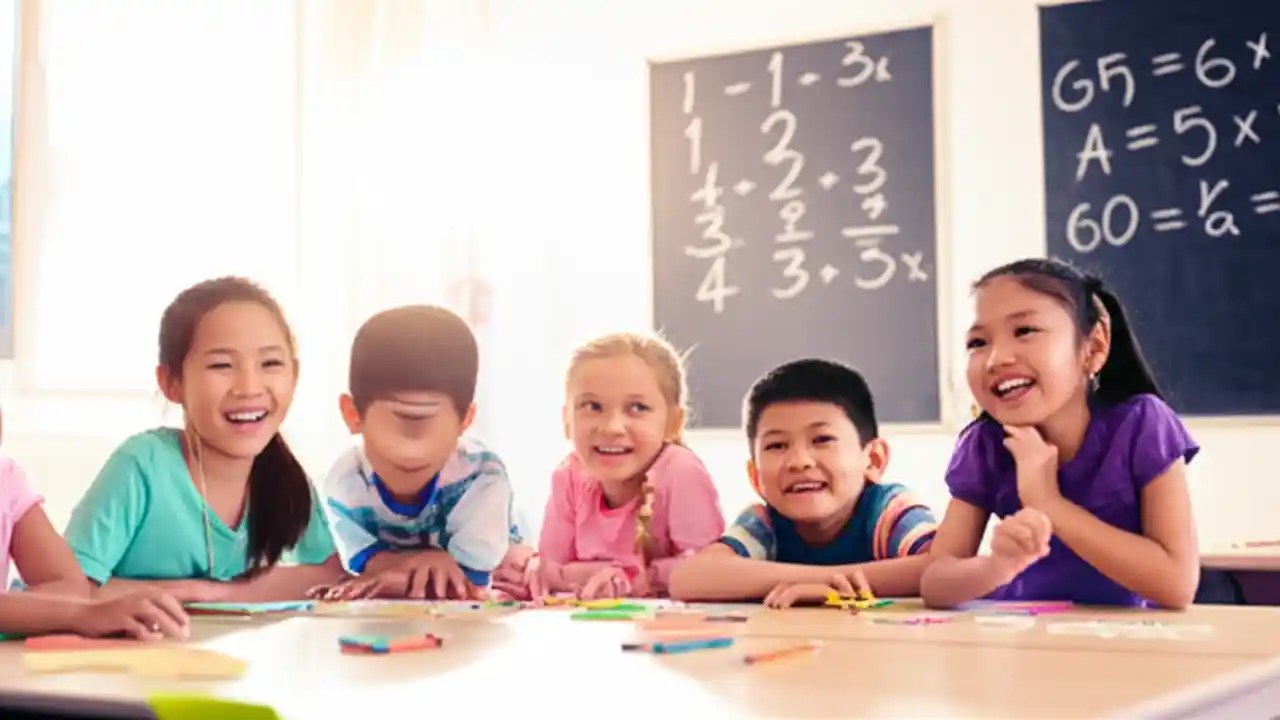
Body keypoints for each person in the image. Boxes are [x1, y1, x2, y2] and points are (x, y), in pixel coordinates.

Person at [921, 258, 1199, 609]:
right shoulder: (986, 443)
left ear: (1094, 346)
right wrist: (996, 566)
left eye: (1024, 331)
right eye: (978, 342)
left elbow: (1176, 585)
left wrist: (1048, 502)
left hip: (1121, 650)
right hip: (1026, 646)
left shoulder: (1142, 424)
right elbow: (934, 583)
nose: (996, 359)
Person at [63, 277, 344, 602]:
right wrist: (190, 592)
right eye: (221, 365)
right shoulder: (143, 466)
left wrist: (212, 592)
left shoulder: (286, 479)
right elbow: (64, 590)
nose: (249, 387)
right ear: (171, 383)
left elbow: (329, 579)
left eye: (270, 363)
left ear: (294, 375)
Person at [670, 359, 937, 606]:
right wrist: (824, 582)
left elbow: (942, 568)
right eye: (777, 445)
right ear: (756, 477)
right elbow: (690, 578)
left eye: (822, 440)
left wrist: (828, 586)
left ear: (873, 460)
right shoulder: (765, 523)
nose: (799, 461)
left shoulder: (890, 511)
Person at [316, 305, 525, 600]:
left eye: (425, 420)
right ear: (353, 414)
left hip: (498, 572)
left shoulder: (481, 478)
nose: (411, 448)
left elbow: (468, 583)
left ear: (465, 420)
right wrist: (410, 566)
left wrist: (434, 567)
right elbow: (366, 562)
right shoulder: (344, 483)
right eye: (401, 419)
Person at [532, 332, 723, 600]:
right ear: (566, 419)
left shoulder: (680, 472)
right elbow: (550, 572)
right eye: (592, 406)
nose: (612, 427)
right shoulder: (568, 476)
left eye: (637, 407)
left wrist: (627, 578)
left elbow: (709, 573)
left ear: (673, 423)